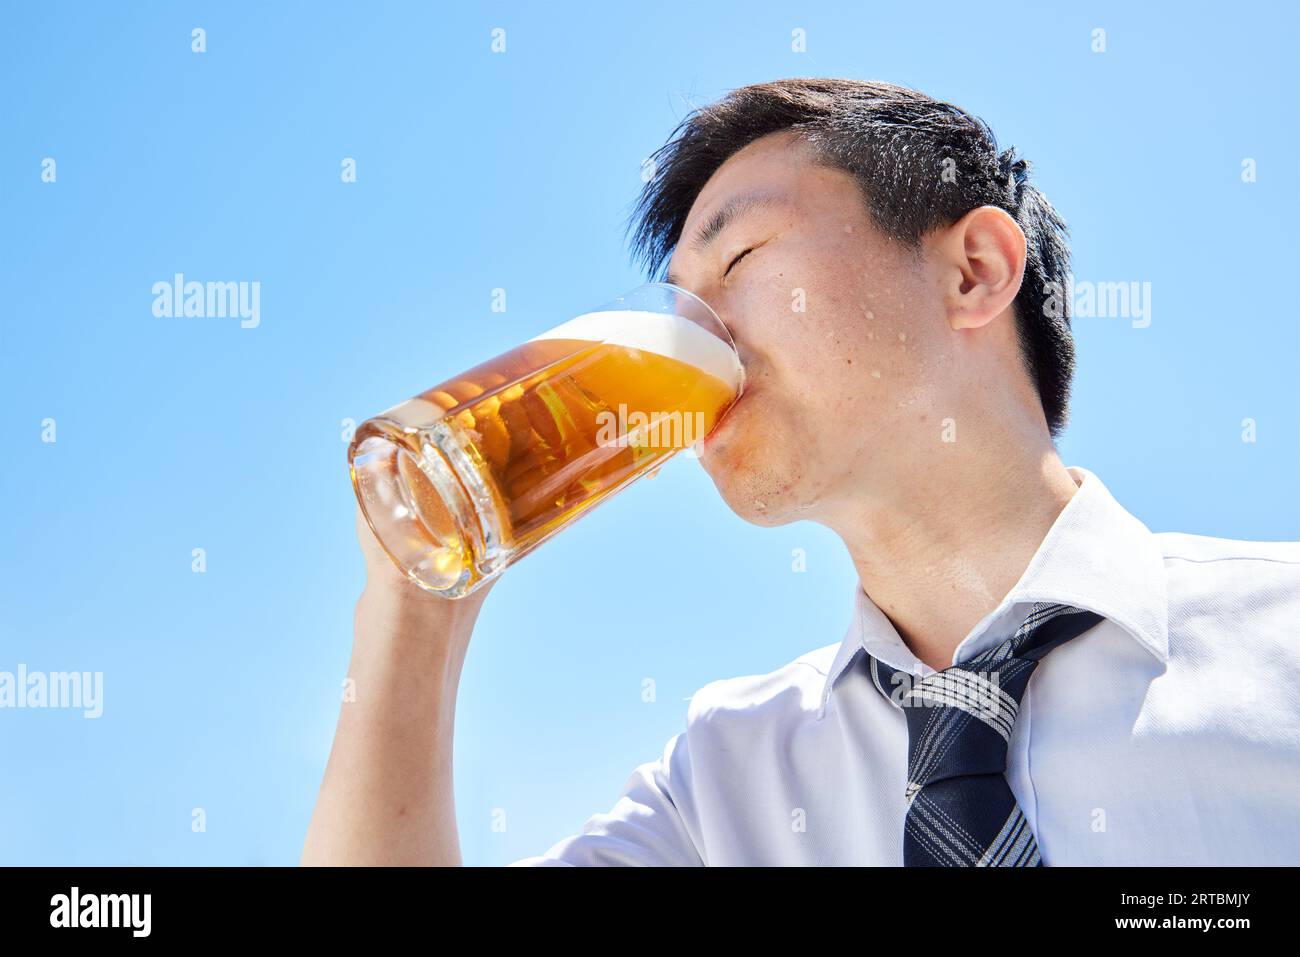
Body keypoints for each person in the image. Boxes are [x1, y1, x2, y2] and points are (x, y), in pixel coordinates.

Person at [301, 78, 1300, 867]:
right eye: (673, 301)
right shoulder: (721, 787)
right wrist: (413, 601)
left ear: (973, 272)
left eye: (736, 260)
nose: (690, 336)